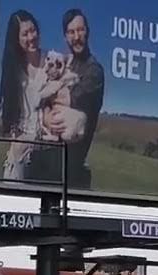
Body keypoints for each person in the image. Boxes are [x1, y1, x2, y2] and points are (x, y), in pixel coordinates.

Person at [36, 8, 105, 186]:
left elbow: (65, 98)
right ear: (65, 36)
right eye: (71, 32)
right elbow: (45, 99)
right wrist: (46, 116)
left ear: (87, 31)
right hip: (47, 160)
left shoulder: (94, 71)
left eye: (80, 30)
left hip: (69, 169)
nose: (76, 37)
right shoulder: (64, 62)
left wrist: (44, 98)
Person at [0, 10, 45, 181]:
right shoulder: (13, 71)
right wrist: (19, 140)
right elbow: (9, 117)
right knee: (14, 167)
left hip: (47, 139)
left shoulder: (52, 62)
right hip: (22, 145)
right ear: (16, 39)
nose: (31, 37)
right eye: (25, 34)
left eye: (33, 30)